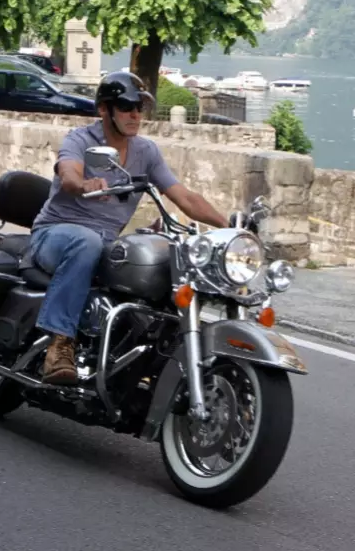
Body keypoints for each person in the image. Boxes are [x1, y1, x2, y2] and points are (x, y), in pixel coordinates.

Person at [29, 71, 229, 385]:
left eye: (140, 107)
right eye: (126, 106)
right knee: (87, 242)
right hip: (56, 233)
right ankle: (59, 344)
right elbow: (68, 174)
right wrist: (83, 184)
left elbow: (184, 197)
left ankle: (146, 357)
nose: (135, 114)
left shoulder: (145, 152)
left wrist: (229, 227)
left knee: (161, 258)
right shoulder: (80, 140)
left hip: (105, 242)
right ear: (104, 110)